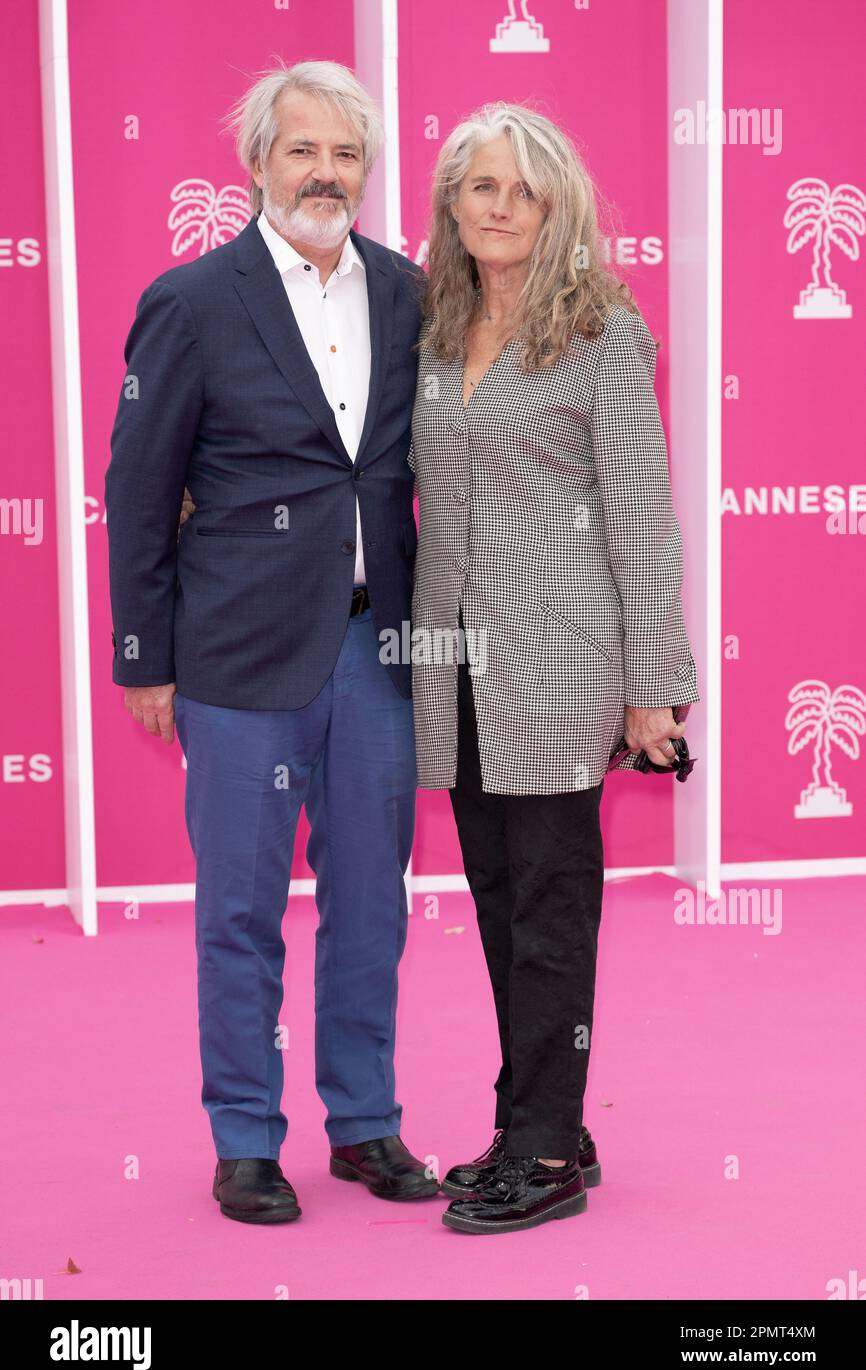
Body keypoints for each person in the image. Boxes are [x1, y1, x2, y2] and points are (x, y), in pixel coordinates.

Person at [105, 60, 438, 1225]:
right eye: (303, 150)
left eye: (346, 154)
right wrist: (144, 654)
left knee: (373, 899)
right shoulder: (193, 300)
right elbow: (139, 487)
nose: (325, 173)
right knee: (240, 907)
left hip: (376, 654)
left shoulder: (406, 294)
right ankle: (244, 1136)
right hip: (238, 658)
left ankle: (365, 1123)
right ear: (258, 163)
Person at [407, 102, 701, 1234]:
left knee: (551, 904)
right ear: (452, 202)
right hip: (456, 664)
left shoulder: (601, 333)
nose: (496, 204)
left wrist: (652, 684)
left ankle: (541, 1151)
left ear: (554, 206)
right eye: (478, 185)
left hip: (561, 663)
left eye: (519, 189)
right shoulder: (435, 327)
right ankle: (539, 1115)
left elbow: (641, 517)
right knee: (496, 898)